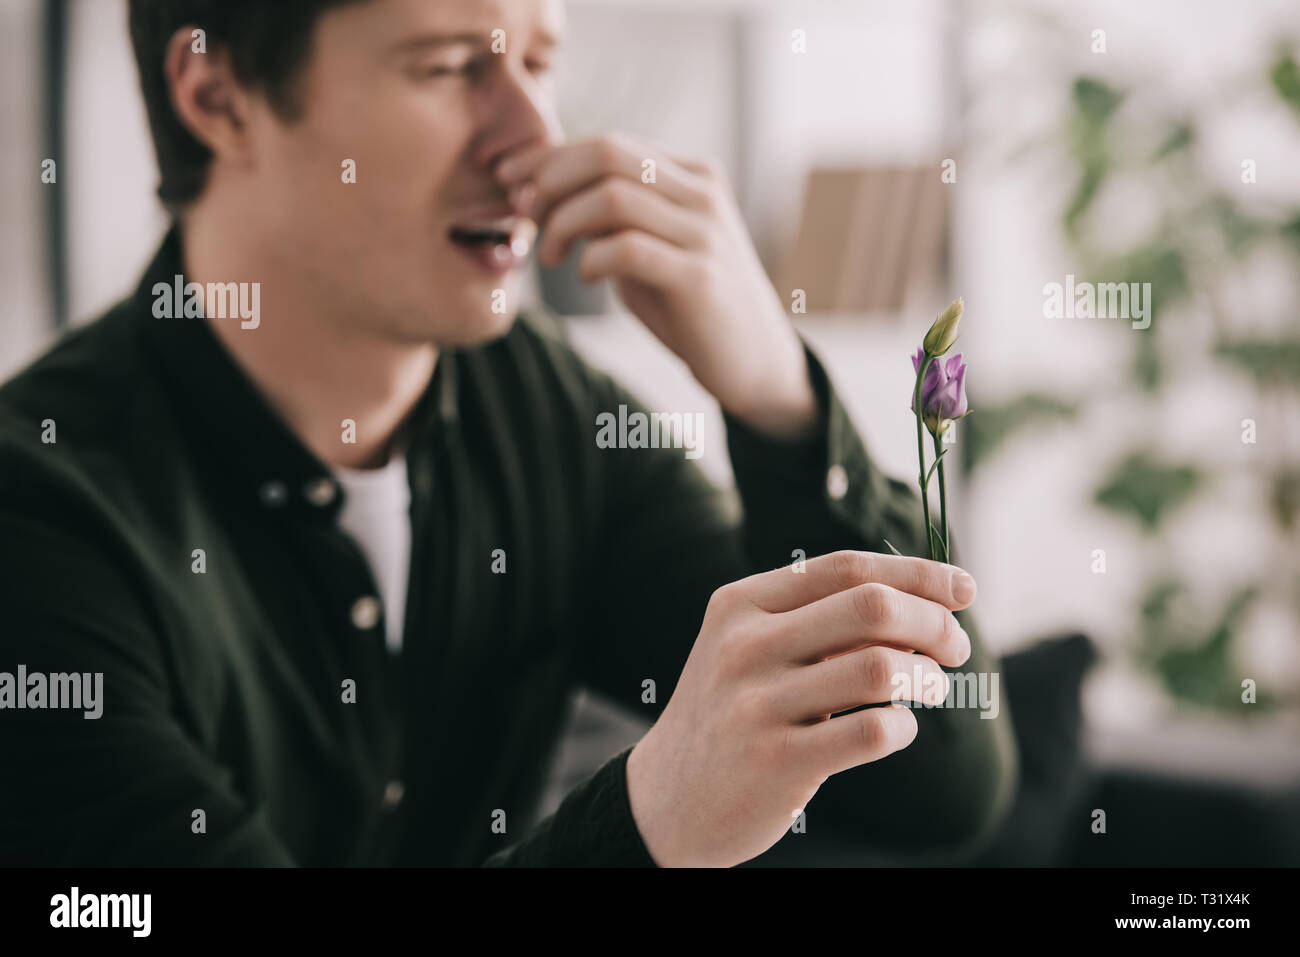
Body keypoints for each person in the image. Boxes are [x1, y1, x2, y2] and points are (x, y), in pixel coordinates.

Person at [0, 0, 1016, 867]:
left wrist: (777, 393)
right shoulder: (38, 516)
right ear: (217, 95)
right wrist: (649, 820)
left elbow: (938, 791)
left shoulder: (546, 413)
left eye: (539, 60)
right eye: (447, 66)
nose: (534, 137)